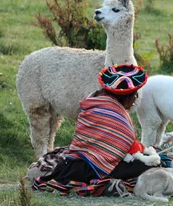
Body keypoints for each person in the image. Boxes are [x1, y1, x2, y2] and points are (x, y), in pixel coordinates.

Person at [39, 64, 152, 193]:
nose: (134, 101)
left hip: (71, 165)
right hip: (96, 170)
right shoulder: (117, 114)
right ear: (127, 97)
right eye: (135, 96)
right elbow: (123, 146)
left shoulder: (93, 102)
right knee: (147, 166)